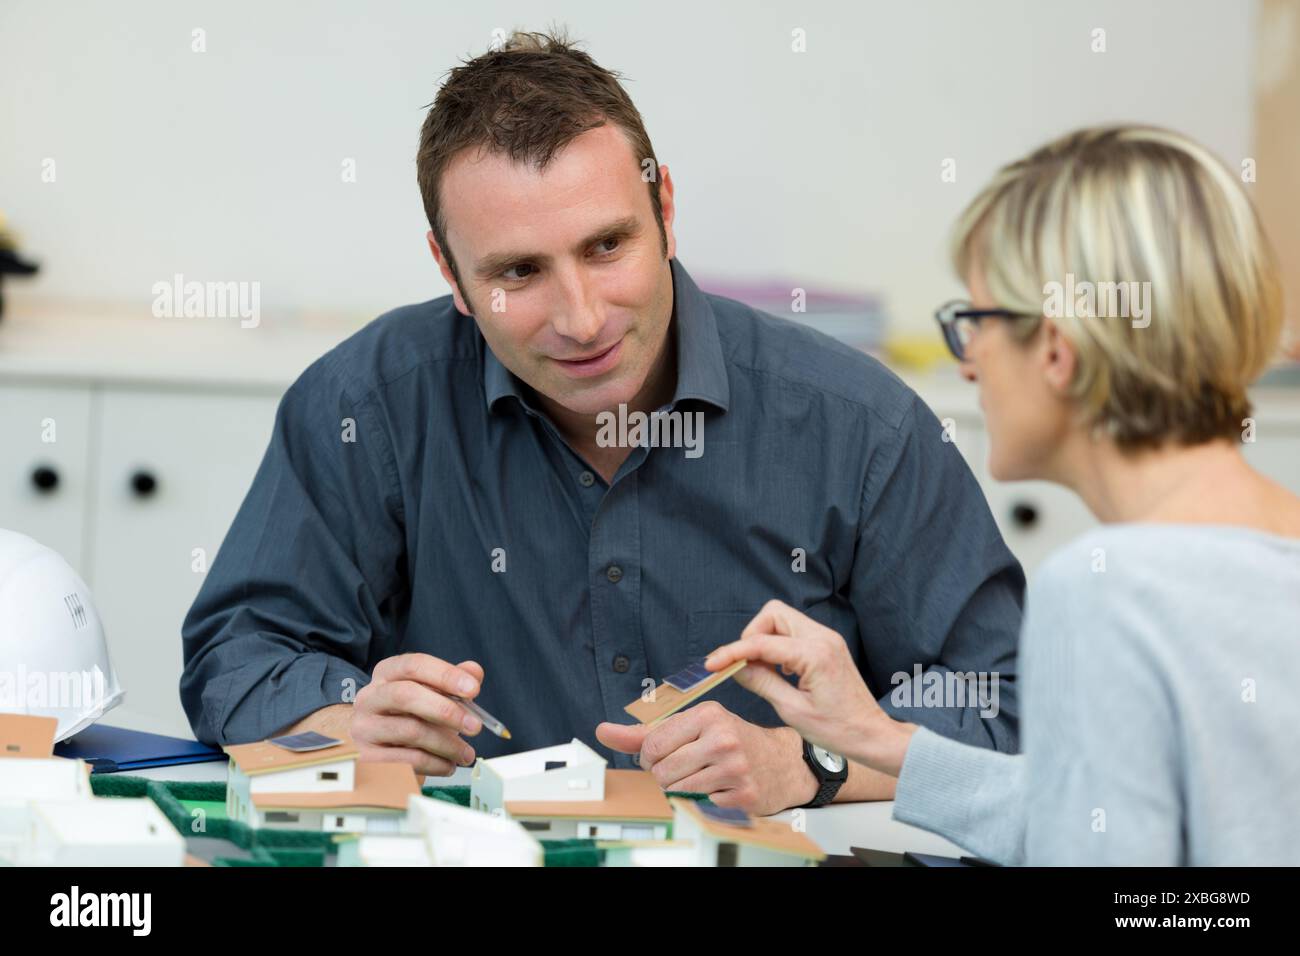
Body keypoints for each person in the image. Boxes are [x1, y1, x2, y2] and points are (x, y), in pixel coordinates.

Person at [180, 31, 1025, 815]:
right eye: (519, 271)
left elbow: (1007, 706)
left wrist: (806, 764)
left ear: (664, 209)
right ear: (450, 271)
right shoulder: (365, 406)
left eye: (606, 246)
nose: (582, 319)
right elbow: (237, 662)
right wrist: (351, 720)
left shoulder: (858, 425)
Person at [708, 125, 1300, 862]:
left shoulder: (1110, 592)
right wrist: (875, 739)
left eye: (976, 323)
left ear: (1056, 349)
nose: (966, 365)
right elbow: (1098, 825)